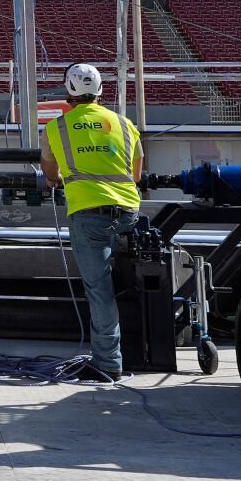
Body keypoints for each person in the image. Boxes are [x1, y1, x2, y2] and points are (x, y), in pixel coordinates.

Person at [40, 62, 143, 380]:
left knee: (100, 291)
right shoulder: (124, 124)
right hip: (129, 213)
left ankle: (108, 362)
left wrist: (60, 178)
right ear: (99, 91)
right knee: (136, 282)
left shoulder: (56, 128)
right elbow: (136, 175)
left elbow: (49, 173)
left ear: (68, 92)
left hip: (88, 215)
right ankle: (141, 348)